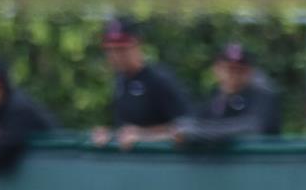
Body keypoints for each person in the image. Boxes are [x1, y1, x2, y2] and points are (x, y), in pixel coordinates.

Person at [90, 17, 189, 151]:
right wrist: (110, 134)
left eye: (121, 48)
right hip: (133, 162)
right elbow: (127, 131)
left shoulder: (159, 79)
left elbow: (187, 128)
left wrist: (144, 135)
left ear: (137, 45)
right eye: (110, 49)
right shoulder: (120, 80)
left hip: (163, 161)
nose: (115, 55)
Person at [175, 42, 282, 148]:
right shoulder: (218, 94)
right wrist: (183, 127)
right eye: (228, 69)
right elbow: (198, 120)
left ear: (249, 72)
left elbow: (252, 127)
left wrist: (197, 133)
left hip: (262, 158)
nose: (232, 76)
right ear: (216, 69)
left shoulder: (262, 93)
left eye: (239, 70)